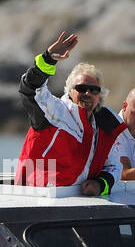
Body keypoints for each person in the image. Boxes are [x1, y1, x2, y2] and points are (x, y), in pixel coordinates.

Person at [16, 31, 126, 196]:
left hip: (77, 201)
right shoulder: (57, 111)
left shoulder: (105, 125)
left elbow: (114, 167)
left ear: (99, 95)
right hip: (37, 198)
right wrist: (48, 59)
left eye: (93, 90)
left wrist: (100, 184)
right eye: (81, 88)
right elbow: (30, 90)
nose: (87, 93)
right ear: (69, 91)